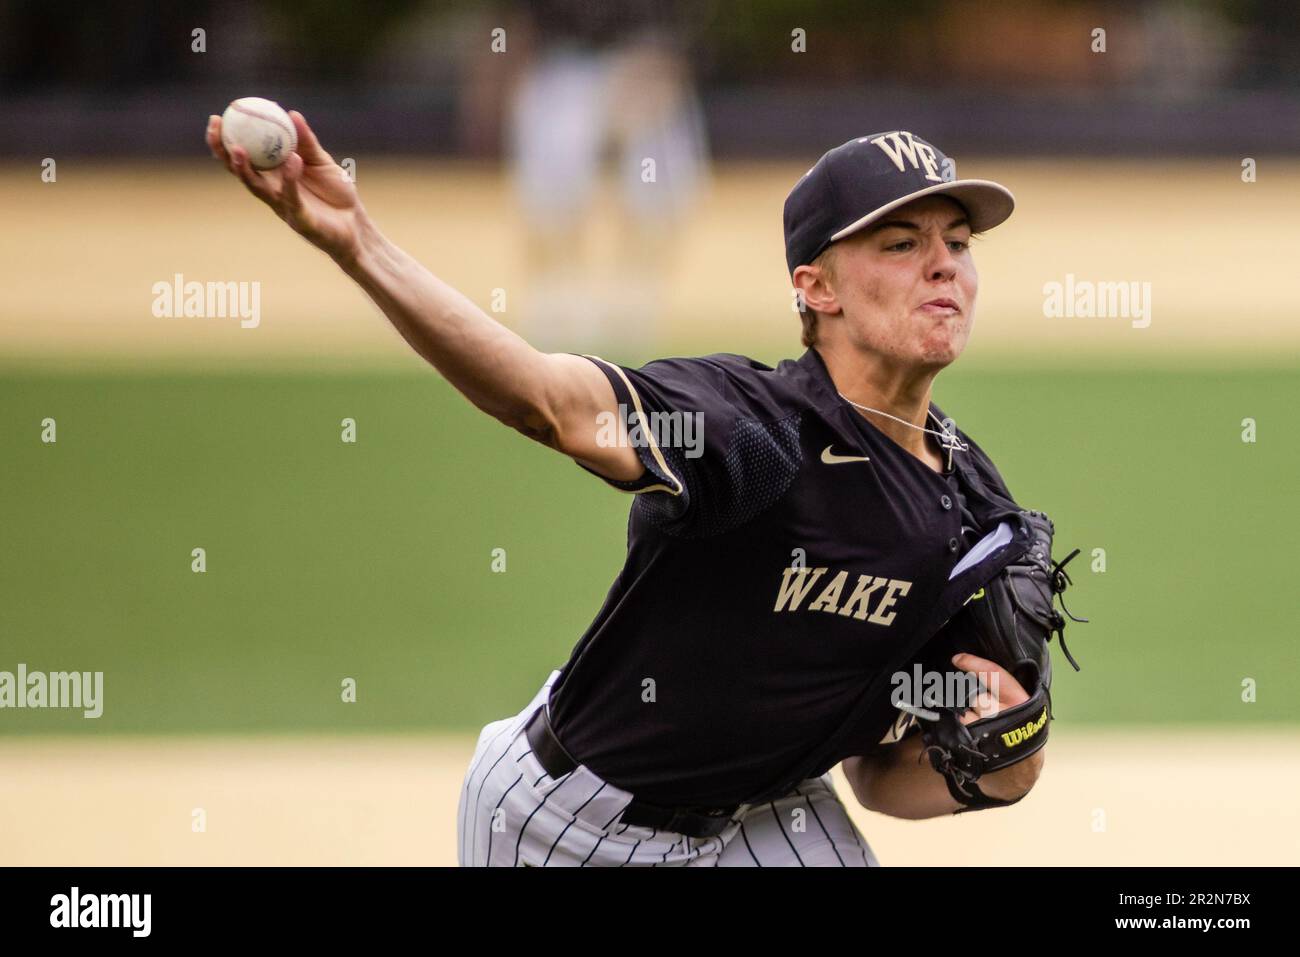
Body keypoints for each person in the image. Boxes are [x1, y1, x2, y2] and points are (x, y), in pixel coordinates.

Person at [206, 116, 1044, 867]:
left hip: (757, 817)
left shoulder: (970, 509)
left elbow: (877, 774)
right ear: (815, 286)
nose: (943, 265)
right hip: (562, 823)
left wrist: (1000, 765)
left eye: (959, 243)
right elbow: (547, 401)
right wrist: (359, 244)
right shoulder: (753, 431)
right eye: (901, 244)